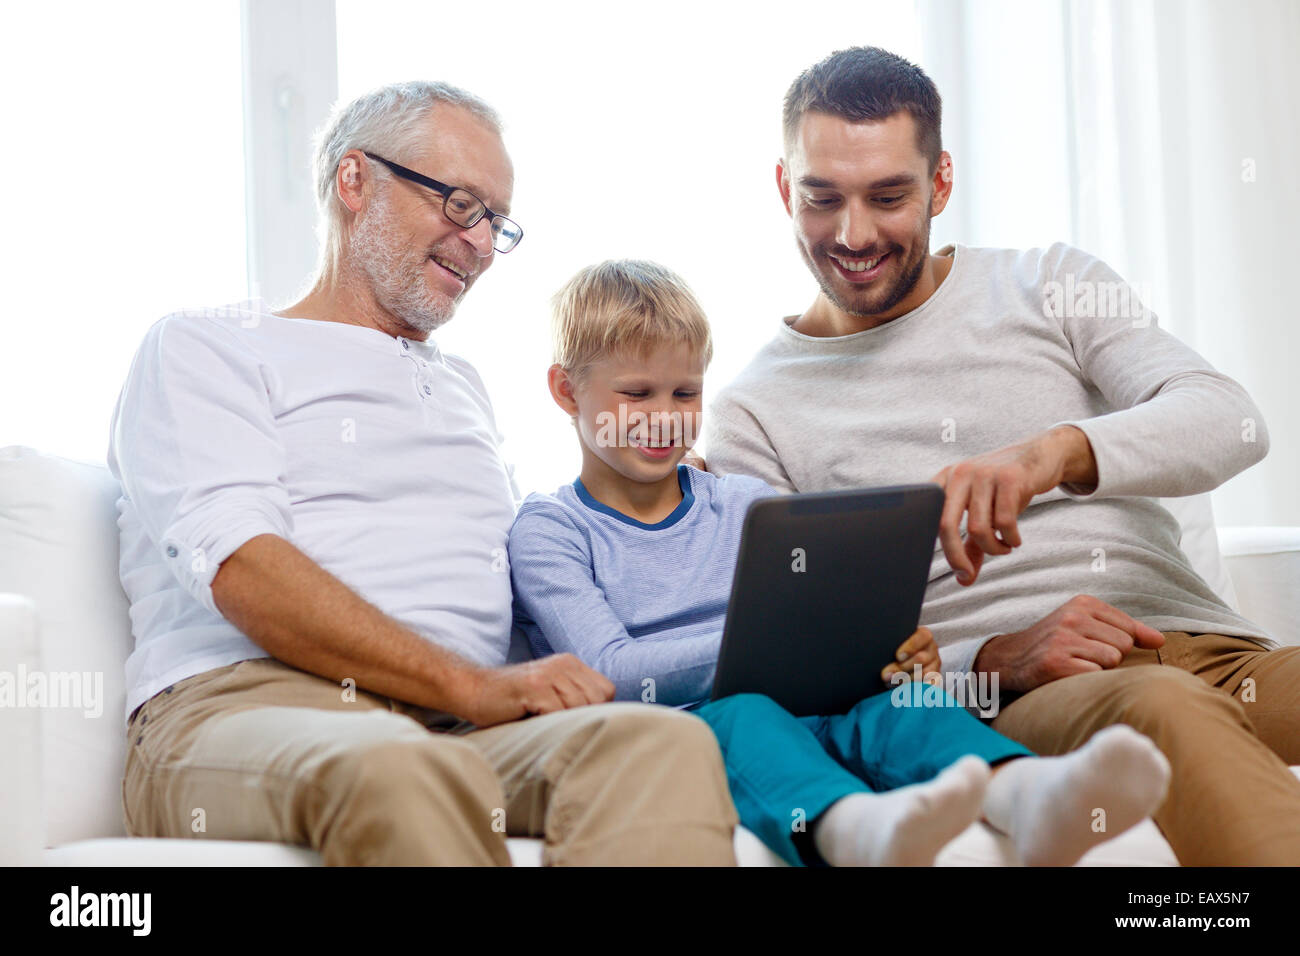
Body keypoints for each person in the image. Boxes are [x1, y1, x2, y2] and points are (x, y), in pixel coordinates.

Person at [108, 81, 739, 866]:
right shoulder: (208, 348)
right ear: (355, 180)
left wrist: (664, 491)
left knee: (658, 745)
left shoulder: (463, 386)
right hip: (249, 708)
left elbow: (534, 560)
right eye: (460, 203)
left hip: (455, 729)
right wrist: (470, 687)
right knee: (401, 767)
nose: (479, 242)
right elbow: (243, 568)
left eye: (496, 223)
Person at [702, 47, 1300, 865]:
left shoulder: (1049, 284)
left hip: (1213, 649)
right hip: (1033, 695)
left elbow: (1231, 419)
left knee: (1179, 692)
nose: (853, 233)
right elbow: (802, 671)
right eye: (821, 198)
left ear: (941, 182)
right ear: (784, 189)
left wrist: (1050, 455)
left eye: (888, 197)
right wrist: (992, 659)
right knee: (1164, 709)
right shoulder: (752, 413)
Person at [508, 258, 1171, 867]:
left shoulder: (746, 504)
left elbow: (822, 614)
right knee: (747, 714)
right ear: (567, 392)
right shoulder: (551, 530)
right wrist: (762, 649)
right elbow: (608, 674)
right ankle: (853, 829)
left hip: (811, 703)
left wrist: (885, 646)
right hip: (688, 727)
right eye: (637, 393)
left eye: (685, 394)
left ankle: (1028, 792)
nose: (666, 419)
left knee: (898, 705)